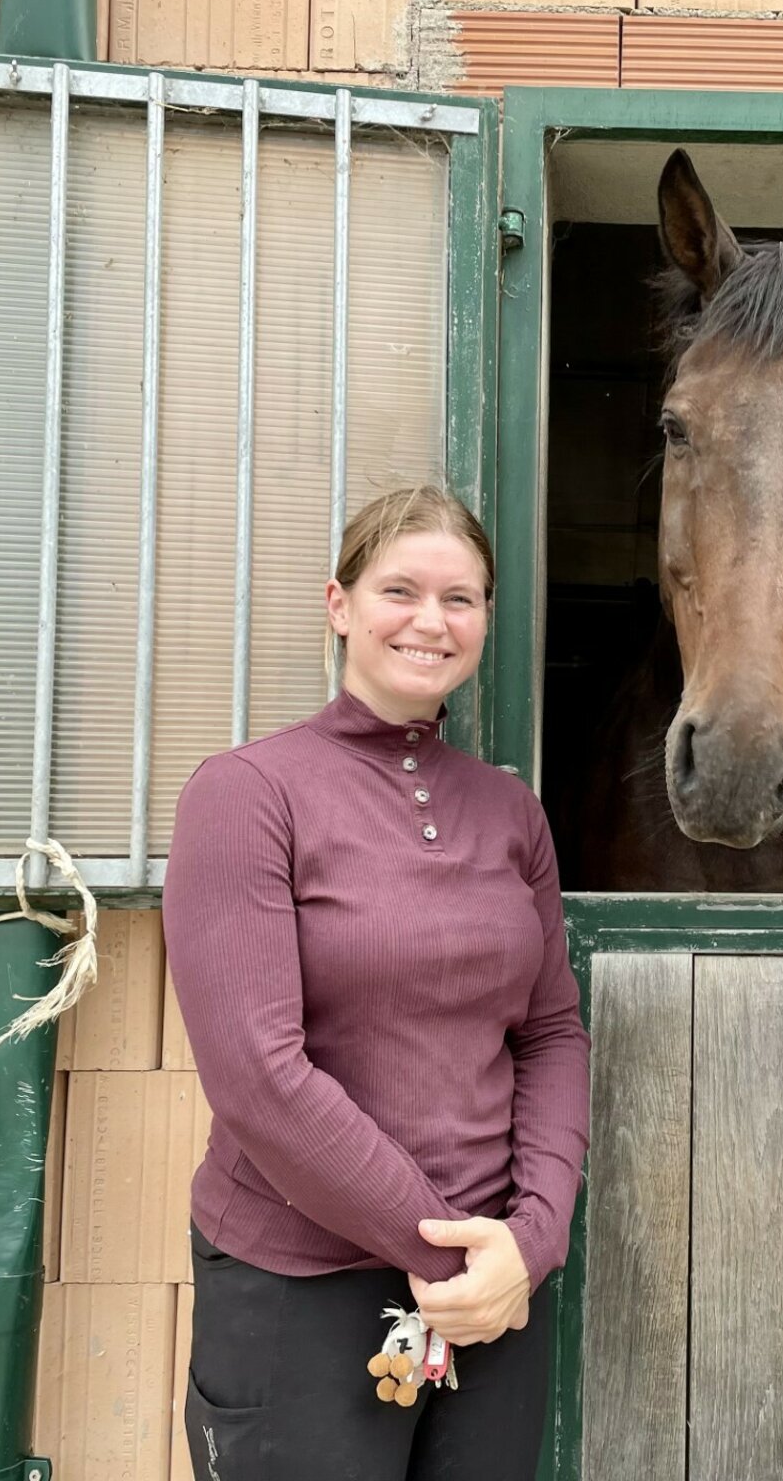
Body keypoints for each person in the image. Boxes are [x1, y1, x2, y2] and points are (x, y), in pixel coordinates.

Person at [163, 485, 590, 1481]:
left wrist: (532, 1239)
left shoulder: (508, 813)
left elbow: (550, 1034)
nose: (430, 621)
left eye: (461, 598)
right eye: (399, 590)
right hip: (304, 1285)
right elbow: (258, 1075)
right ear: (339, 603)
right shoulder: (246, 795)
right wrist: (453, 1259)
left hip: (494, 1290)